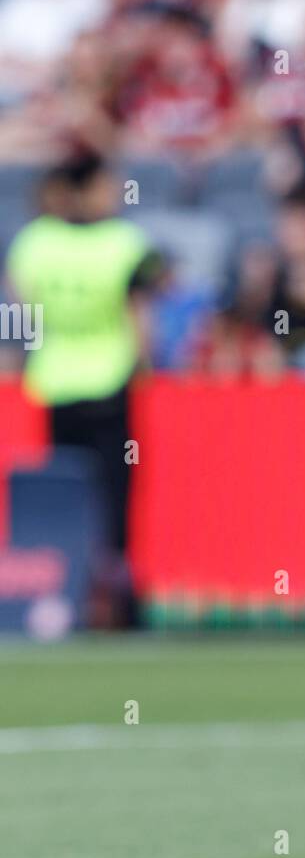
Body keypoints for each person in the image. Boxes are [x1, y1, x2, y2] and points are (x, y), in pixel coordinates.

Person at [5, 154, 162, 624]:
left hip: (56, 379)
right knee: (115, 493)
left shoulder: (34, 243)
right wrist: (146, 364)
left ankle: (69, 593)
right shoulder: (124, 243)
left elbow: (18, 305)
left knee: (68, 494)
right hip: (110, 381)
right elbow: (141, 316)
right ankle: (116, 603)